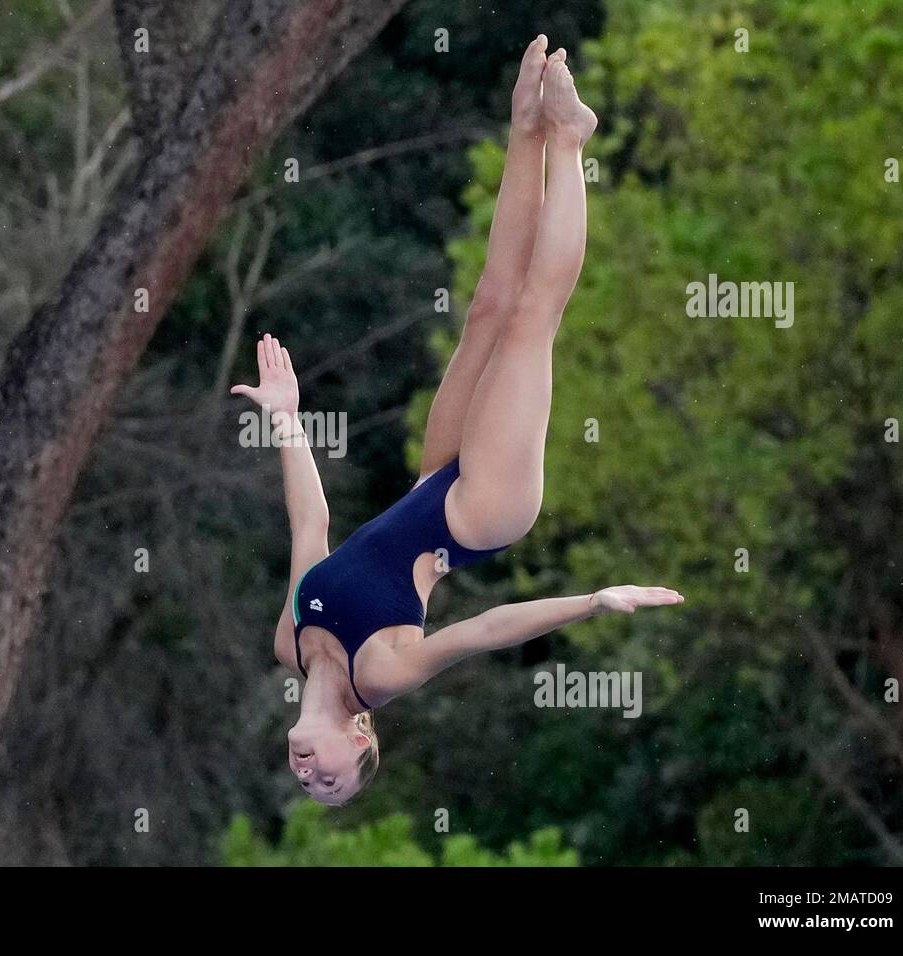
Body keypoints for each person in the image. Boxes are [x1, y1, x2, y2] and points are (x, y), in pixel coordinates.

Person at [231, 37, 683, 805]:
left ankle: (528, 130)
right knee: (529, 324)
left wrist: (286, 420)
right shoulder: (383, 673)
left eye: (306, 781)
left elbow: (311, 525)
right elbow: (485, 631)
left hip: (433, 484)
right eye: (332, 779)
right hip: (481, 513)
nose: (310, 774)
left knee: (487, 312)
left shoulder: (291, 644)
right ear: (361, 738)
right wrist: (593, 602)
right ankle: (572, 141)